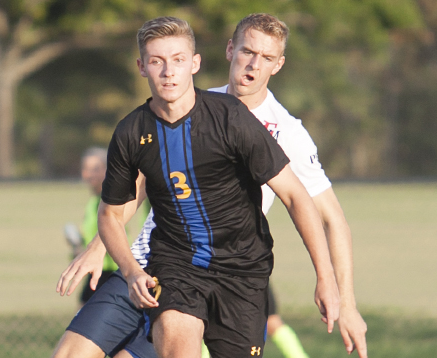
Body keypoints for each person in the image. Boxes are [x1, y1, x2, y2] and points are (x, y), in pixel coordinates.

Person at [53, 13, 368, 358]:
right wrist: (101, 247)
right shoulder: (190, 99)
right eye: (248, 51)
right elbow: (138, 181)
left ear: (278, 66)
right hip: (162, 260)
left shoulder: (288, 134)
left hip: (230, 269)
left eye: (266, 58)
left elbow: (332, 219)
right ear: (231, 49)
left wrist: (346, 301)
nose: (253, 65)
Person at [73, 147, 121, 305]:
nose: (89, 174)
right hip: (95, 268)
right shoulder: (93, 201)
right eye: (86, 169)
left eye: (95, 169)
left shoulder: (111, 200)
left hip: (110, 269)